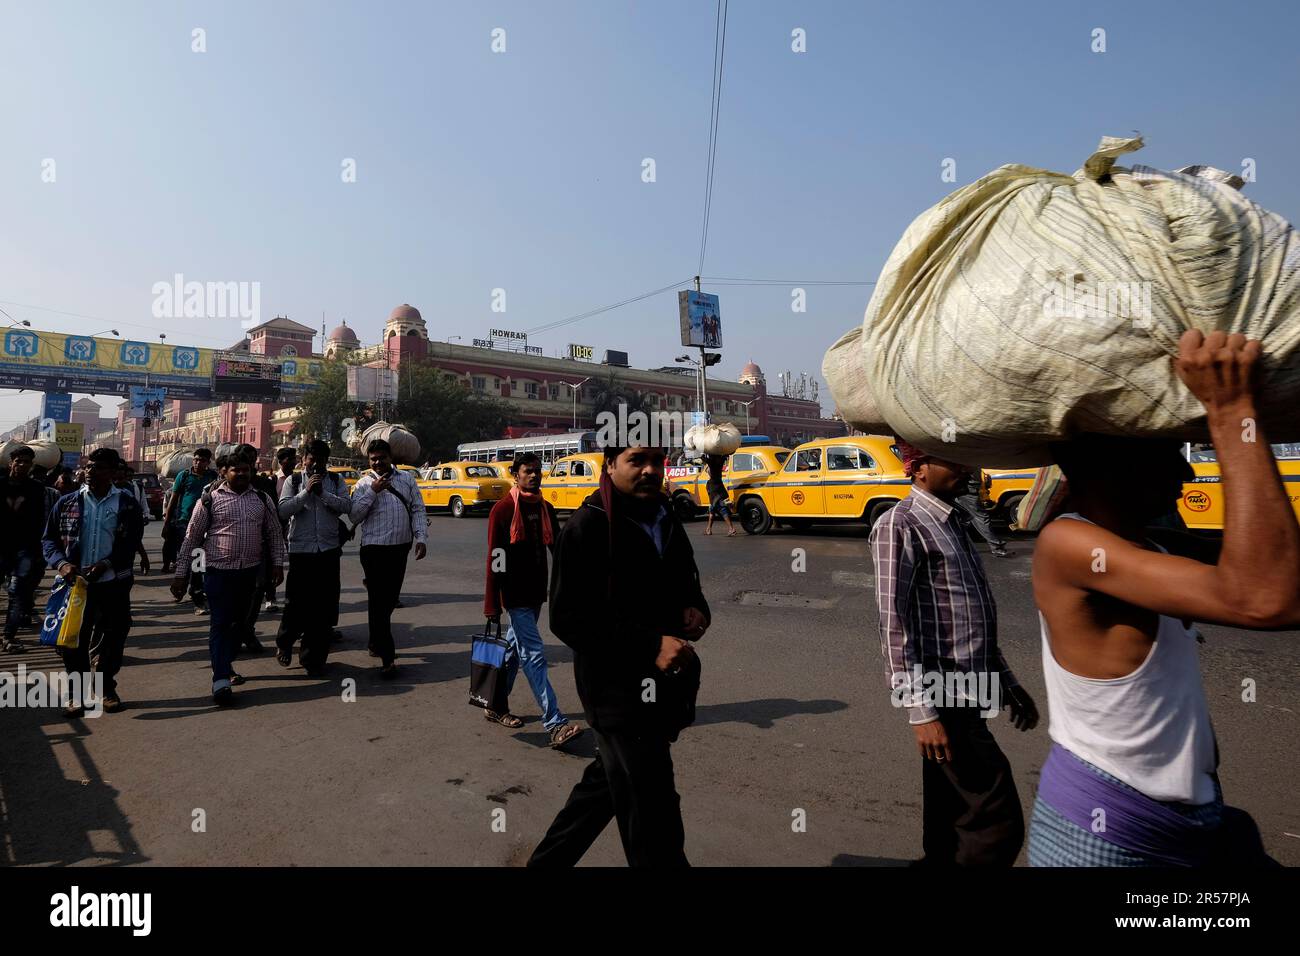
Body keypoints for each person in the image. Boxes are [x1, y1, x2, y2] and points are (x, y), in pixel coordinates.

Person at [1029, 331, 1300, 867]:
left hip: (1194, 822)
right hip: (1110, 838)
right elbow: (1268, 598)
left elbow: (1266, 565)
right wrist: (1229, 410)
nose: (1184, 472)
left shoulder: (1144, 544)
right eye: (1165, 454)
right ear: (1109, 464)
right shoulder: (1069, 545)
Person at [529, 444, 709, 867]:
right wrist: (651, 645)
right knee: (653, 807)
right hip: (615, 693)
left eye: (657, 461)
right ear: (610, 466)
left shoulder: (665, 517)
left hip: (664, 688)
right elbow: (569, 619)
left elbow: (688, 580)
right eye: (636, 460)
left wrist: (696, 610)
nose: (649, 470)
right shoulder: (587, 527)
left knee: (607, 787)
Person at [869, 439, 1038, 867]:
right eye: (953, 462)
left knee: (950, 810)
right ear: (919, 468)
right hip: (942, 692)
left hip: (970, 687)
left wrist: (1008, 683)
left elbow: (970, 616)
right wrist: (921, 713)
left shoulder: (953, 520)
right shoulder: (900, 524)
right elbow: (893, 621)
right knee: (995, 821)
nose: (966, 469)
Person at [483, 451, 582, 747]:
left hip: (537, 593)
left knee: (514, 652)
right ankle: (554, 723)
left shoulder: (546, 509)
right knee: (534, 655)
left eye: (538, 471)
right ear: (516, 474)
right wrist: (491, 604)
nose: (534, 475)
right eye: (528, 471)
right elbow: (494, 559)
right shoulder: (502, 511)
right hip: (514, 596)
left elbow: (559, 552)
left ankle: (496, 705)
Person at [170, 452, 284, 705]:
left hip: (249, 574)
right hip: (218, 573)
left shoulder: (262, 499)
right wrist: (181, 576)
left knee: (239, 625)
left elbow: (275, 534)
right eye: (236, 470)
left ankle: (225, 663)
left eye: (246, 470)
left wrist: (277, 564)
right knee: (220, 624)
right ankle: (220, 678)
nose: (242, 474)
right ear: (224, 472)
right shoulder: (208, 501)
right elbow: (191, 539)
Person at [42, 446, 145, 717]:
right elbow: (49, 540)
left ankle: (106, 688)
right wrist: (62, 564)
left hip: (113, 583)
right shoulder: (67, 503)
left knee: (113, 637)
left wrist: (106, 564)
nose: (90, 471)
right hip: (75, 586)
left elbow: (131, 541)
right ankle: (77, 694)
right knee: (71, 640)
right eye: (88, 466)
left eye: (98, 467)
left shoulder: (126, 503)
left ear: (112, 472)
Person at [349, 439, 426, 678]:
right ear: (368, 461)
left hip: (399, 548)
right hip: (373, 550)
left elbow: (417, 508)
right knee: (378, 602)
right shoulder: (363, 484)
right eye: (373, 459)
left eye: (382, 458)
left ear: (390, 457)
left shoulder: (406, 480)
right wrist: (373, 491)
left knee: (388, 600)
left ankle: (375, 640)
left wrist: (421, 537)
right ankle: (387, 657)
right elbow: (355, 516)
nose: (378, 462)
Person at [276, 439, 350, 676]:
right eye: (311, 459)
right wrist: (306, 492)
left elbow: (345, 507)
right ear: (304, 459)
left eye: (321, 460)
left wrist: (323, 494)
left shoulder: (336, 481)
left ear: (326, 462)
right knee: (295, 604)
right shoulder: (293, 481)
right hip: (301, 551)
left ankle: (313, 658)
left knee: (323, 607)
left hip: (327, 550)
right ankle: (285, 644)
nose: (315, 464)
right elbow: (284, 510)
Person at [2, 446, 47, 653]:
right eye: (18, 461)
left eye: (26, 462)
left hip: (24, 549)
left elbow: (39, 521)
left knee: (17, 593)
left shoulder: (36, 489)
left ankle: (8, 637)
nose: (22, 465)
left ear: (31, 465)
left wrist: (38, 551)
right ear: (11, 462)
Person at [163, 448, 217, 609]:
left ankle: (196, 590)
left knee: (198, 558)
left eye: (202, 460)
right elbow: (174, 499)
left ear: (208, 462)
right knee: (183, 556)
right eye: (196, 459)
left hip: (205, 523)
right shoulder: (184, 475)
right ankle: (181, 585)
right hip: (184, 522)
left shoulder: (212, 477)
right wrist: (167, 522)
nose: (197, 463)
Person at [264, 447, 298, 614]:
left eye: (295, 459)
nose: (294, 462)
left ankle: (294, 597)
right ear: (282, 461)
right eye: (290, 459)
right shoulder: (272, 480)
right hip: (276, 524)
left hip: (294, 525)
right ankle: (270, 597)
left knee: (295, 561)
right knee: (272, 562)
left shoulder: (298, 479)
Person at [952, 472, 1010, 557]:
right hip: (967, 490)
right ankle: (996, 547)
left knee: (963, 518)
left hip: (966, 489)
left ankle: (957, 545)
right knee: (980, 518)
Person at [114, 463, 152, 574]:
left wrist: (143, 555)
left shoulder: (130, 498)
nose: (117, 482)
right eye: (114, 479)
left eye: (121, 479)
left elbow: (134, 534)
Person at [702, 453, 736, 537]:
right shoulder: (720, 462)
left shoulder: (713, 464)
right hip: (720, 488)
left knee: (721, 509)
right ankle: (708, 529)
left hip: (715, 491)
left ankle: (731, 528)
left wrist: (703, 456)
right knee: (712, 510)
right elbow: (724, 456)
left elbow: (706, 460)